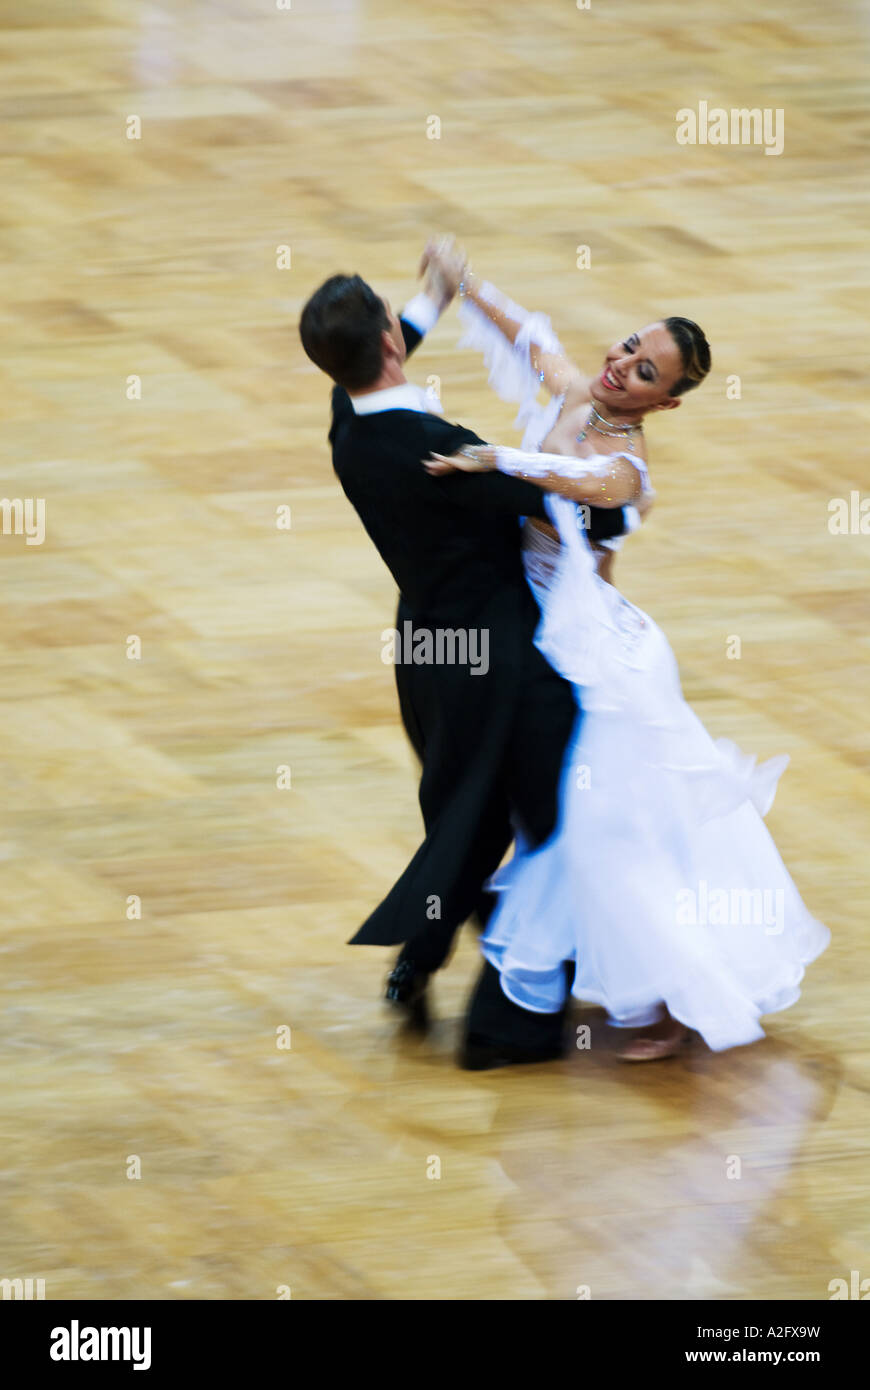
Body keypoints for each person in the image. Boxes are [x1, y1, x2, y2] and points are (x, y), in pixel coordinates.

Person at [423, 245, 829, 1060]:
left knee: (619, 826)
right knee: (603, 824)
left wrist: (492, 458)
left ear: (666, 405)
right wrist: (463, 279)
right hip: (552, 629)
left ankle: (680, 998)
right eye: (626, 348)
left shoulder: (631, 468)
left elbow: (576, 482)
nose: (621, 369)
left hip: (599, 656)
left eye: (646, 374)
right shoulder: (579, 389)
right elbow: (529, 333)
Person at [298, 240, 633, 1064]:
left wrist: (430, 300)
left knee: (464, 807)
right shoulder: (432, 448)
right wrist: (625, 480)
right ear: (382, 347)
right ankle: (516, 997)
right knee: (535, 807)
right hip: (496, 650)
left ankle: (427, 956)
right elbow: (560, 505)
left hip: (427, 646)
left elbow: (382, 358)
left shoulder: (350, 420)